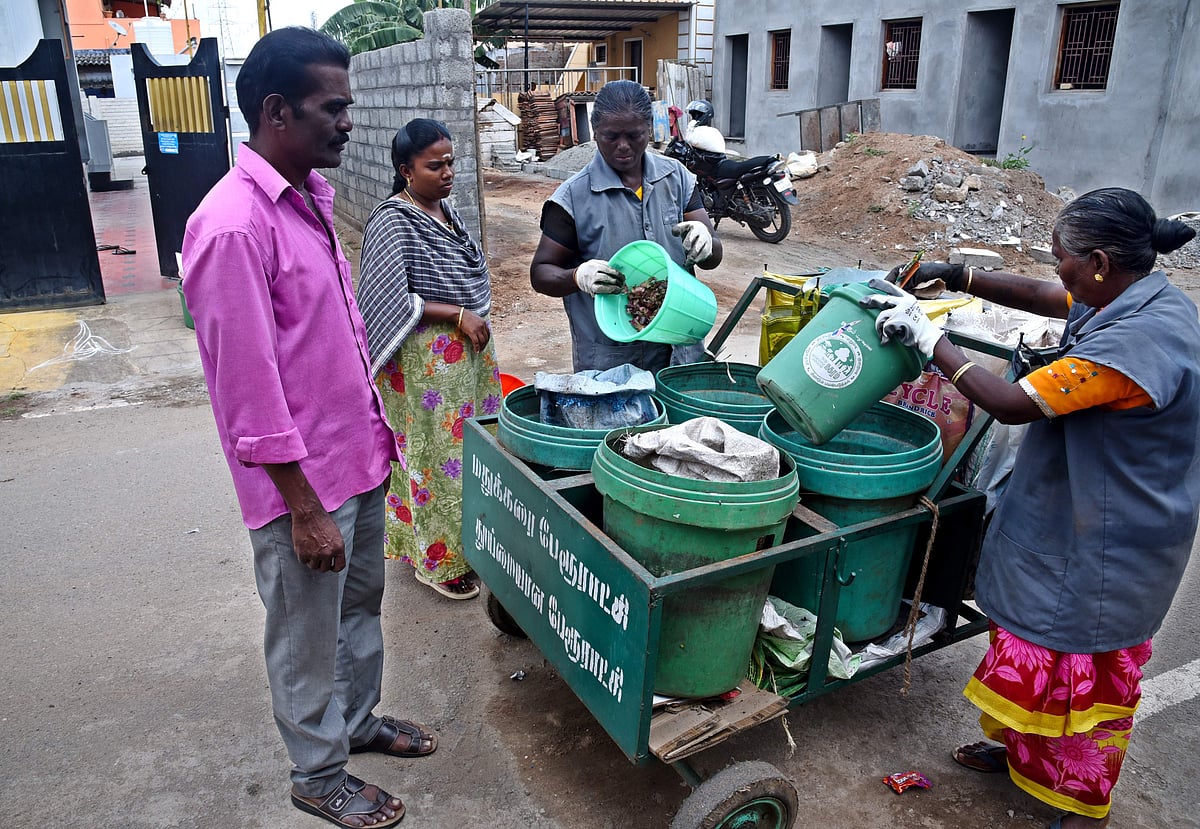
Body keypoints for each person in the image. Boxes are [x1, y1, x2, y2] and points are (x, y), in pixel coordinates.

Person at [861, 188, 1199, 829]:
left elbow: (1013, 403)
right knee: (1033, 650)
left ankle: (1083, 807)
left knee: (1084, 677)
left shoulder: (1132, 346)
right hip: (1074, 512)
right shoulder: (1125, 294)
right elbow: (1051, 299)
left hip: (1113, 543)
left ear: (1099, 261)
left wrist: (931, 339)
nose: (1056, 268)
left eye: (1062, 257)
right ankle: (1022, 752)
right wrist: (957, 274)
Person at [182, 28, 437, 829]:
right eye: (335, 107)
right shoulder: (231, 226)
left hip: (354, 459)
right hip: (303, 488)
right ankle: (317, 771)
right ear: (276, 110)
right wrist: (303, 505)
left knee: (358, 608)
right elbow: (247, 392)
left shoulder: (309, 200)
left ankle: (355, 723)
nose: (349, 122)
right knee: (304, 632)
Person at [356, 119, 501, 601]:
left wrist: (469, 316)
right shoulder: (392, 219)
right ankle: (438, 563)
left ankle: (431, 544)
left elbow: (466, 272)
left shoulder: (446, 212)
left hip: (465, 358)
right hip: (423, 364)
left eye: (451, 163)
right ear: (405, 170)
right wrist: (457, 313)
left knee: (471, 454)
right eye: (434, 166)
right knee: (433, 461)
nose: (446, 173)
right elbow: (386, 295)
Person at [530, 79, 723, 373]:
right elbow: (541, 273)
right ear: (595, 133)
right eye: (611, 137)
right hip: (611, 361)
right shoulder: (573, 197)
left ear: (650, 129)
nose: (623, 146)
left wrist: (706, 242)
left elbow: (712, 258)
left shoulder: (677, 179)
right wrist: (577, 276)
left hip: (680, 348)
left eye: (634, 135)